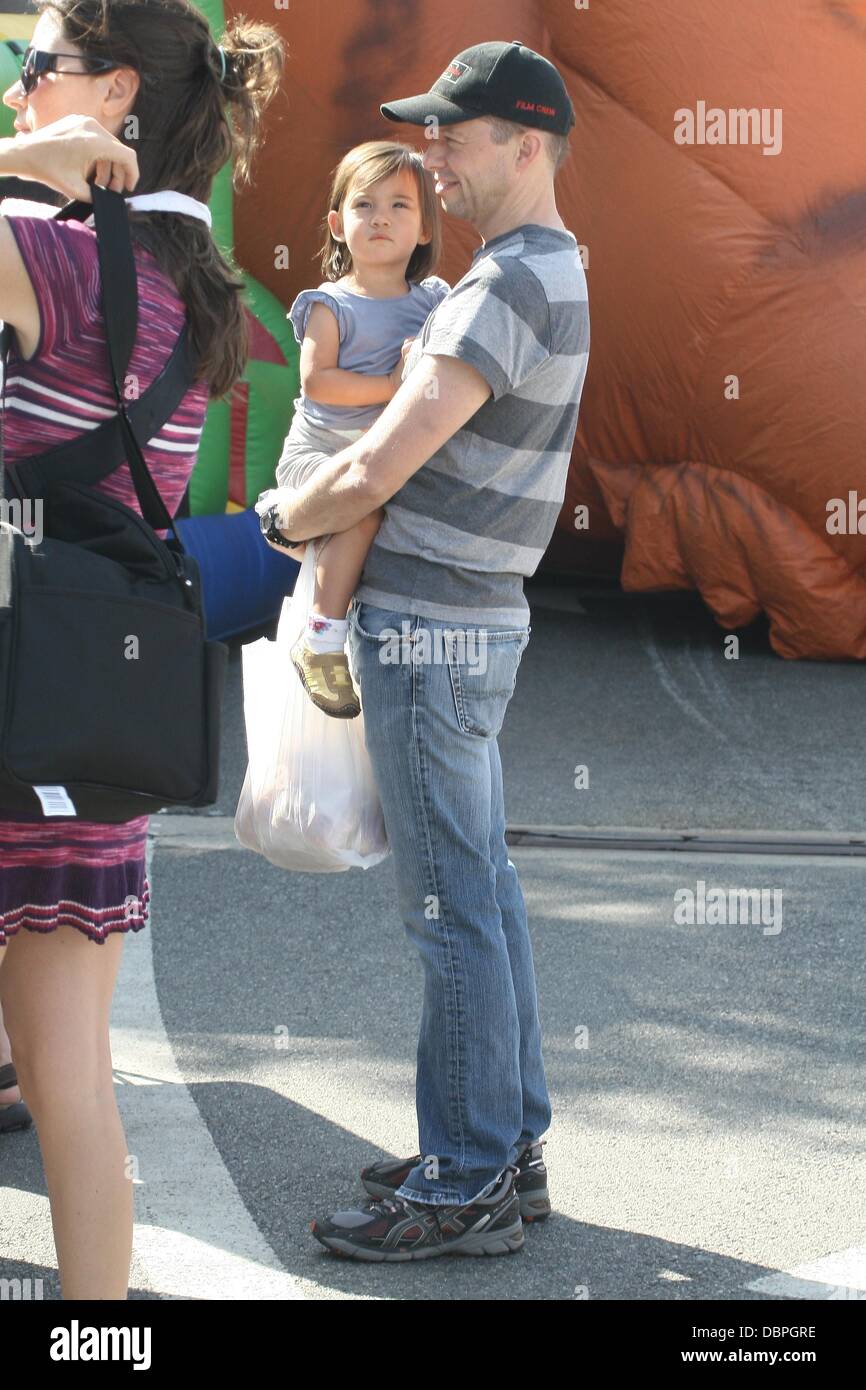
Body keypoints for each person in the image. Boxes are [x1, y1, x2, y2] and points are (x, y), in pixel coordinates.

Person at [264, 40, 591, 1261]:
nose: (435, 155)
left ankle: (462, 1182)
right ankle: (505, 1147)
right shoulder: (539, 267)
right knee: (485, 897)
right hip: (467, 621)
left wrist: (277, 518)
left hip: (431, 627)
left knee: (450, 909)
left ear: (526, 143)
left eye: (454, 136)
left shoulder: (504, 283)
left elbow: (377, 460)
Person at [0, 0, 283, 1298]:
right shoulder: (189, 284)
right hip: (84, 720)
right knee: (73, 1091)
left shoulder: (39, 256)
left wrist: (18, 172)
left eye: (33, 64)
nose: (15, 83)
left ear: (112, 94)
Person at [269, 140, 449, 720]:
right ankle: (320, 637)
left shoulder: (434, 303)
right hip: (320, 457)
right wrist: (394, 387)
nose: (380, 218)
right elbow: (319, 381)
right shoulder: (329, 304)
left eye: (400, 206)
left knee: (390, 502)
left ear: (425, 227)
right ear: (337, 224)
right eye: (364, 205)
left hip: (385, 460)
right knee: (362, 501)